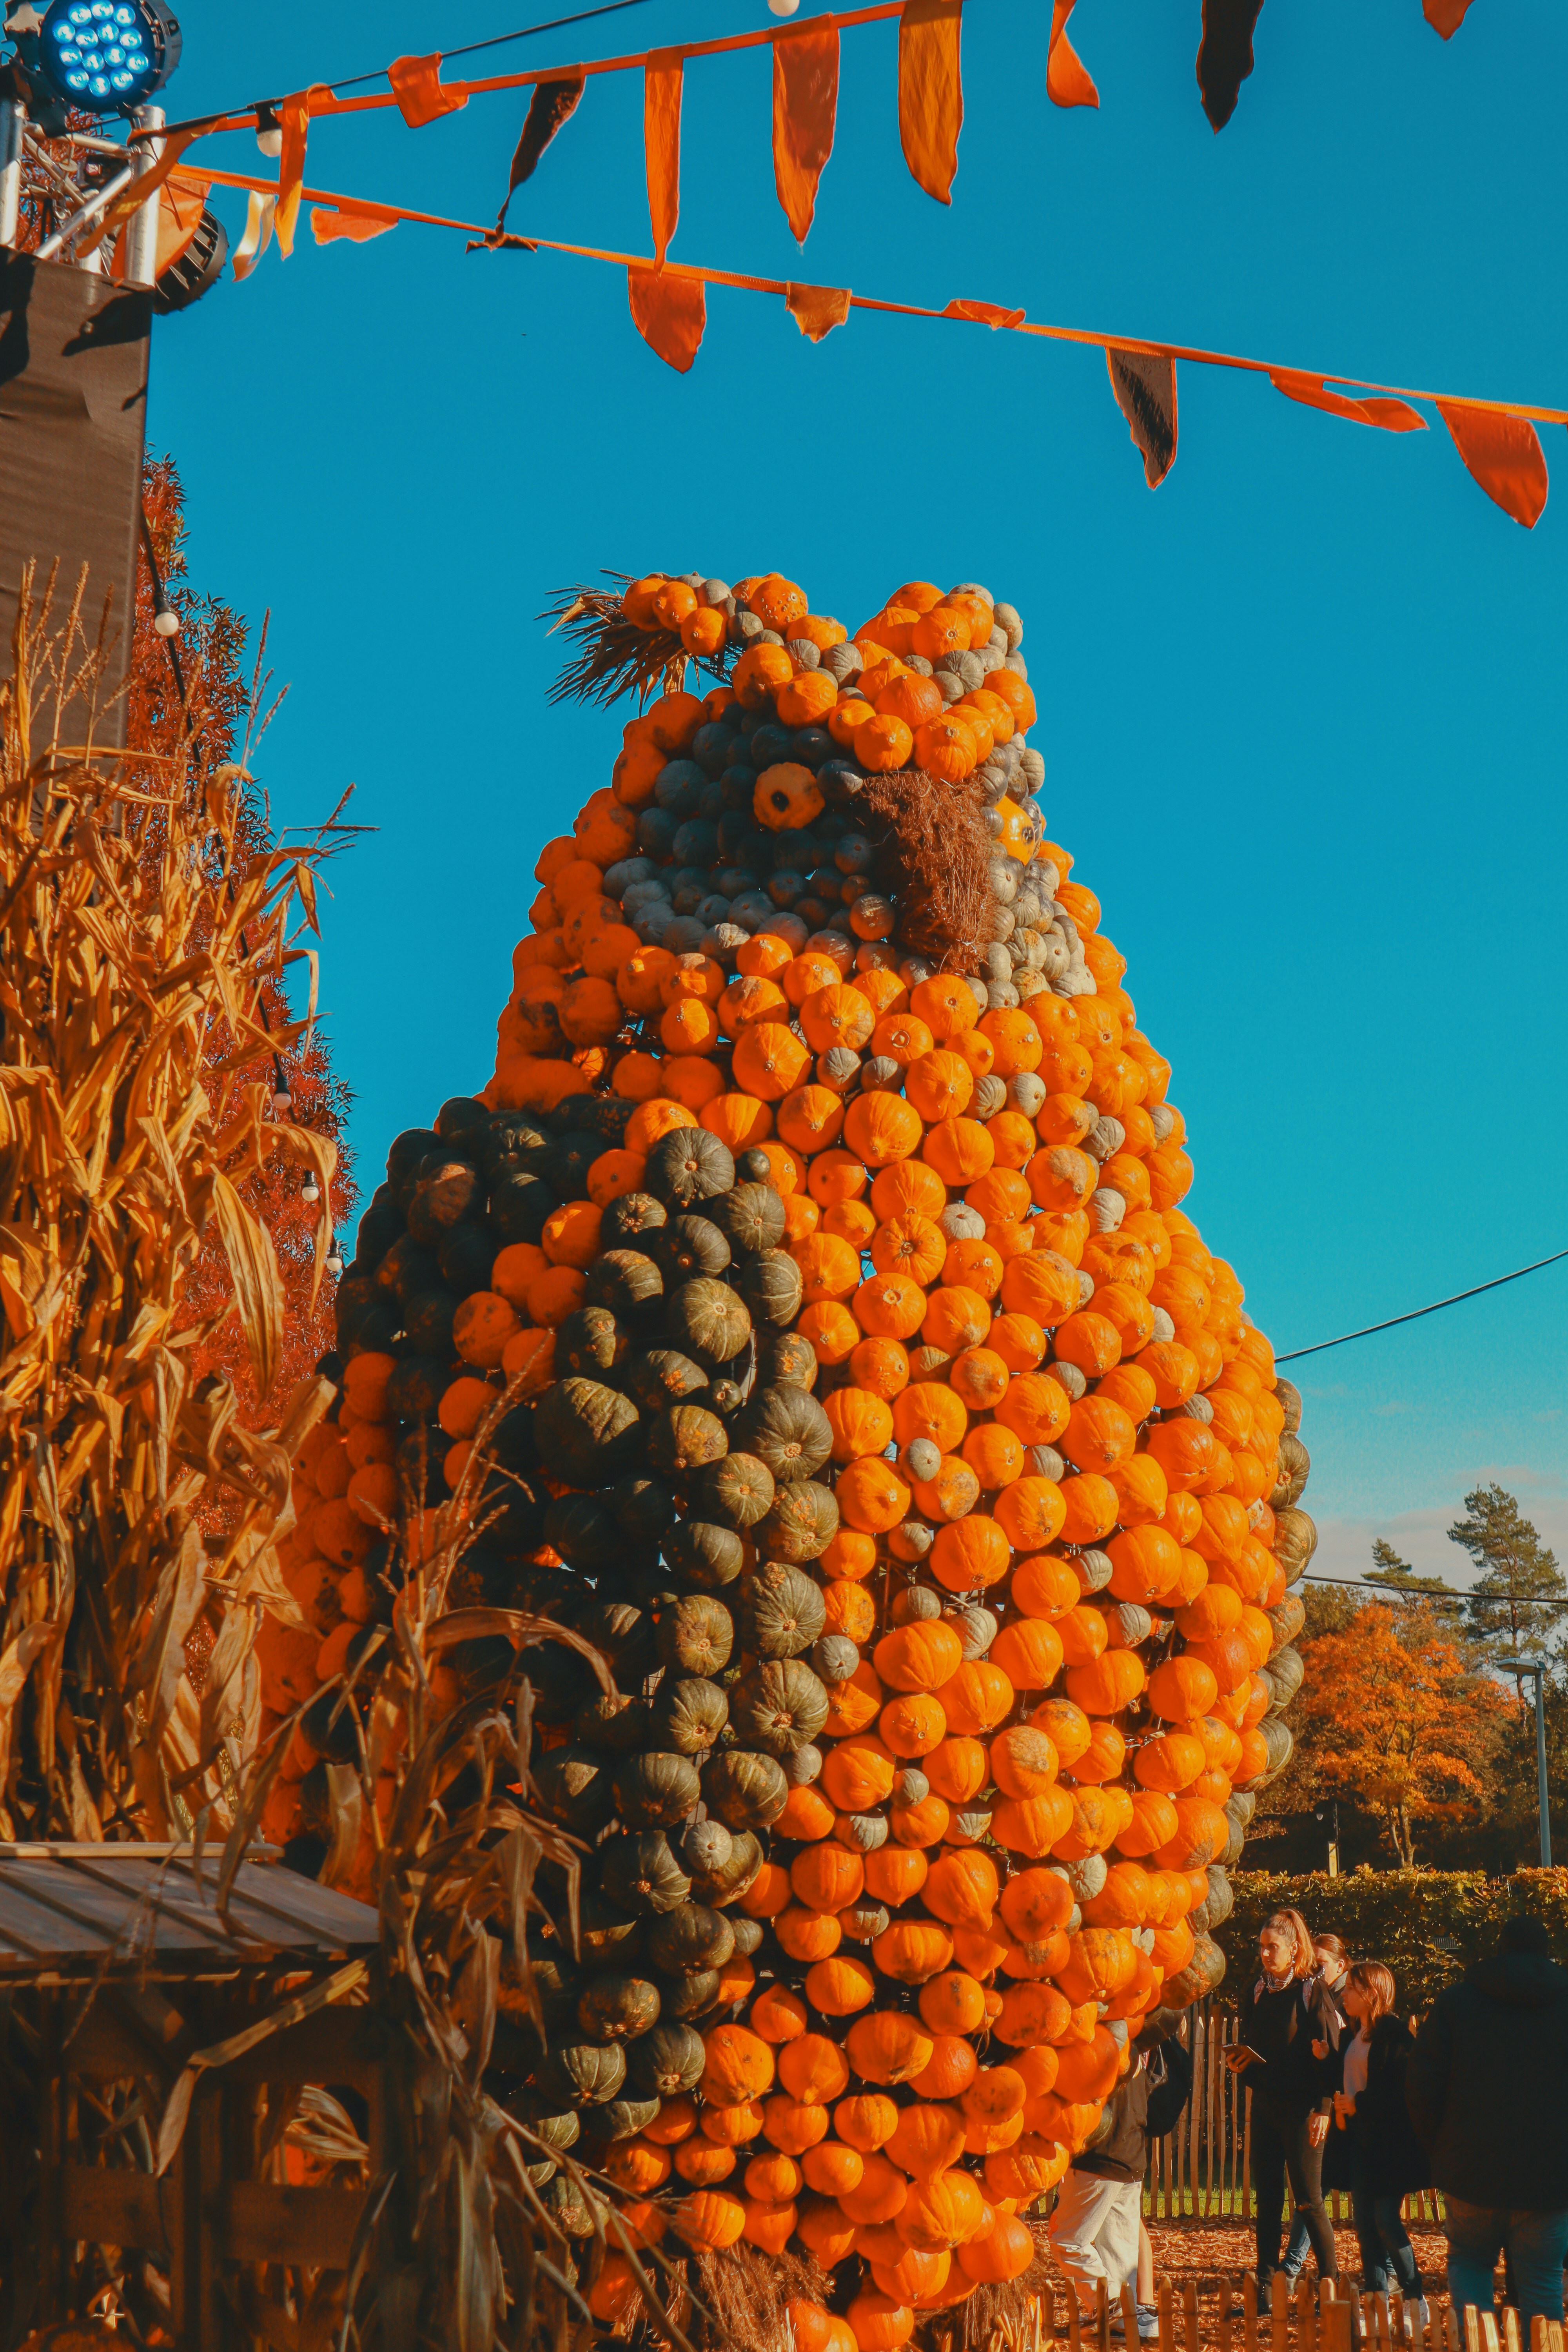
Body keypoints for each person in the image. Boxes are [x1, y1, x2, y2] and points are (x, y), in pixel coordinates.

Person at [1406, 1914, 1568, 2329]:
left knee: (1470, 2265)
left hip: (1471, 2167)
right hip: (1549, 2174)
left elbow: (1423, 2084)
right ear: (1546, 1953)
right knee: (1542, 2285)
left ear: (1500, 1948)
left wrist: (1439, 2148)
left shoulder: (1457, 2003)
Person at [1049, 2013, 1193, 2341]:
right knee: (1118, 2248)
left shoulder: (1108, 2046)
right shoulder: (1144, 2051)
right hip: (1132, 2155)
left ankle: (1110, 2307)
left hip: (1100, 2157)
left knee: (1068, 2240)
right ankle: (1123, 2323)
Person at [1225, 1908, 1341, 2300]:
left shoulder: (1312, 1991)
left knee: (1308, 2200)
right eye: (1260, 1946)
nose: (1264, 1953)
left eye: (1272, 1947)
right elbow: (1253, 2045)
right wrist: (1240, 2062)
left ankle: (1331, 2288)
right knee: (1269, 2201)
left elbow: (1331, 2054)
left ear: (1294, 1950)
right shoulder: (1255, 1990)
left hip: (1304, 2112)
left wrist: (1325, 2108)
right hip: (1266, 2108)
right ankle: (1264, 2292)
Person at [1330, 1961, 1430, 2327]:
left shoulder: (1395, 2035)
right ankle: (1377, 2304)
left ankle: (1414, 2297)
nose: (1345, 1995)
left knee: (1387, 2220)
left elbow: (1404, 2091)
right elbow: (1346, 2080)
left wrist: (1361, 2103)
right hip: (1359, 2142)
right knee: (1365, 2226)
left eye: (1352, 1989)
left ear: (1372, 1993)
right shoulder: (1353, 2036)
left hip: (1390, 2147)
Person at [1282, 1934, 1354, 2283]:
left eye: (1322, 1964)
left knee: (1371, 2201)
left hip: (1345, 2108)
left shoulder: (1348, 1999)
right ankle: (1292, 2267)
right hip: (1328, 2105)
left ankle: (1391, 2272)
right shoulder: (1310, 1995)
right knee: (1313, 2189)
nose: (1314, 1970)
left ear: (1341, 1966)